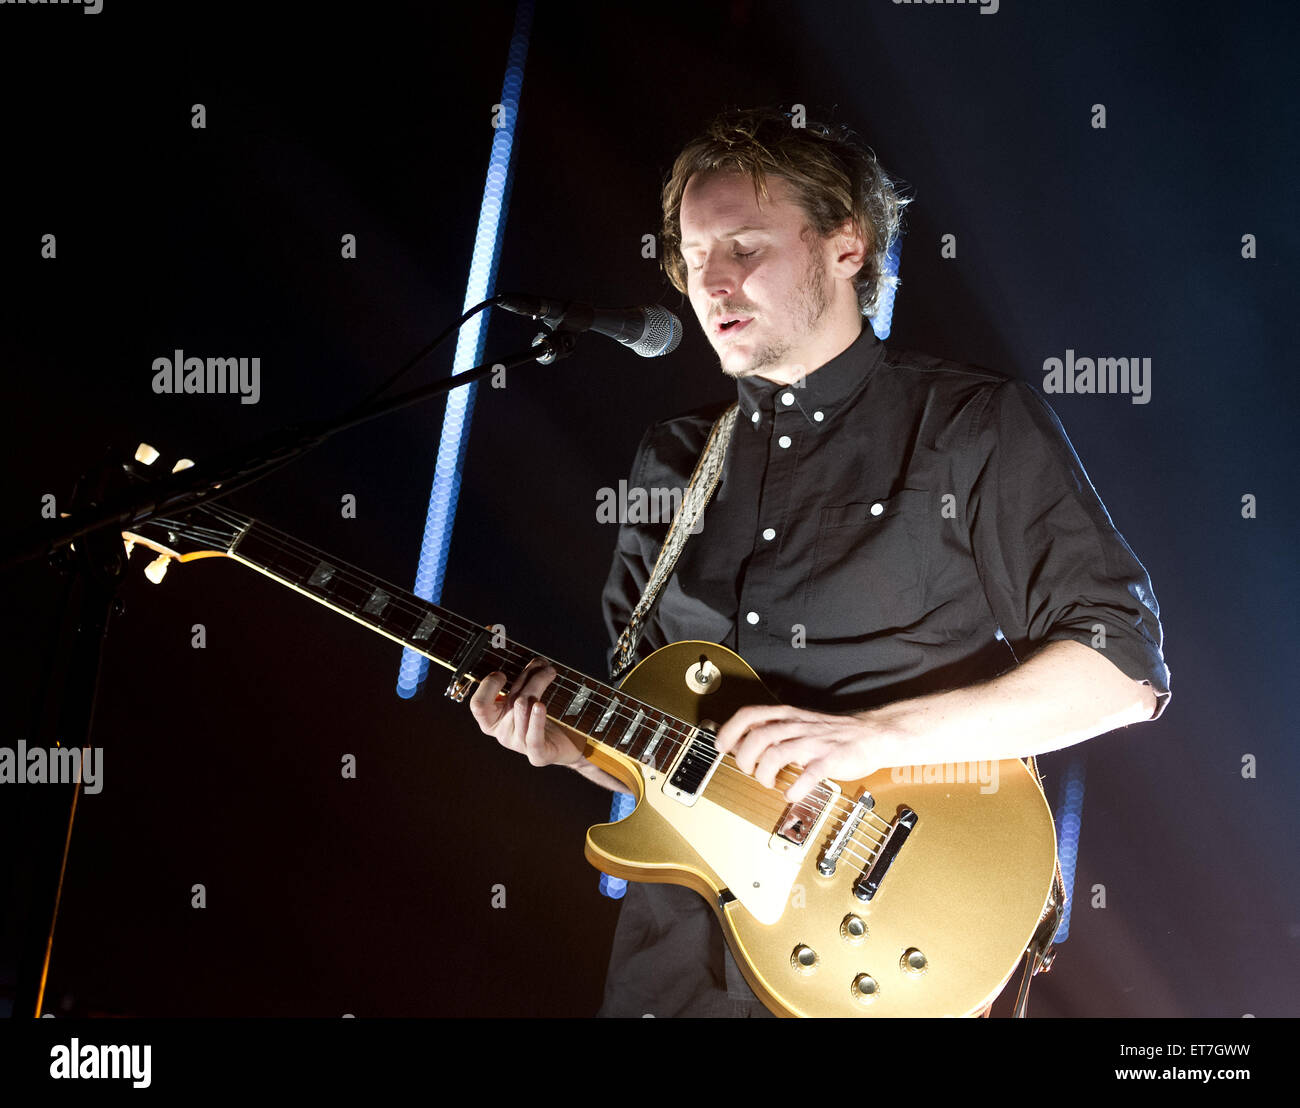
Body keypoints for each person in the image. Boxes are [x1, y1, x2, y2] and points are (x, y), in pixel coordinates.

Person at [469, 107, 1171, 1017]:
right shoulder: (674, 463)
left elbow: (1122, 669)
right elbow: (657, 748)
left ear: (847, 248)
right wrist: (569, 746)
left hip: (887, 950)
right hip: (677, 959)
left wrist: (872, 738)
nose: (709, 282)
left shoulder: (969, 426)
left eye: (744, 248)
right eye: (690, 256)